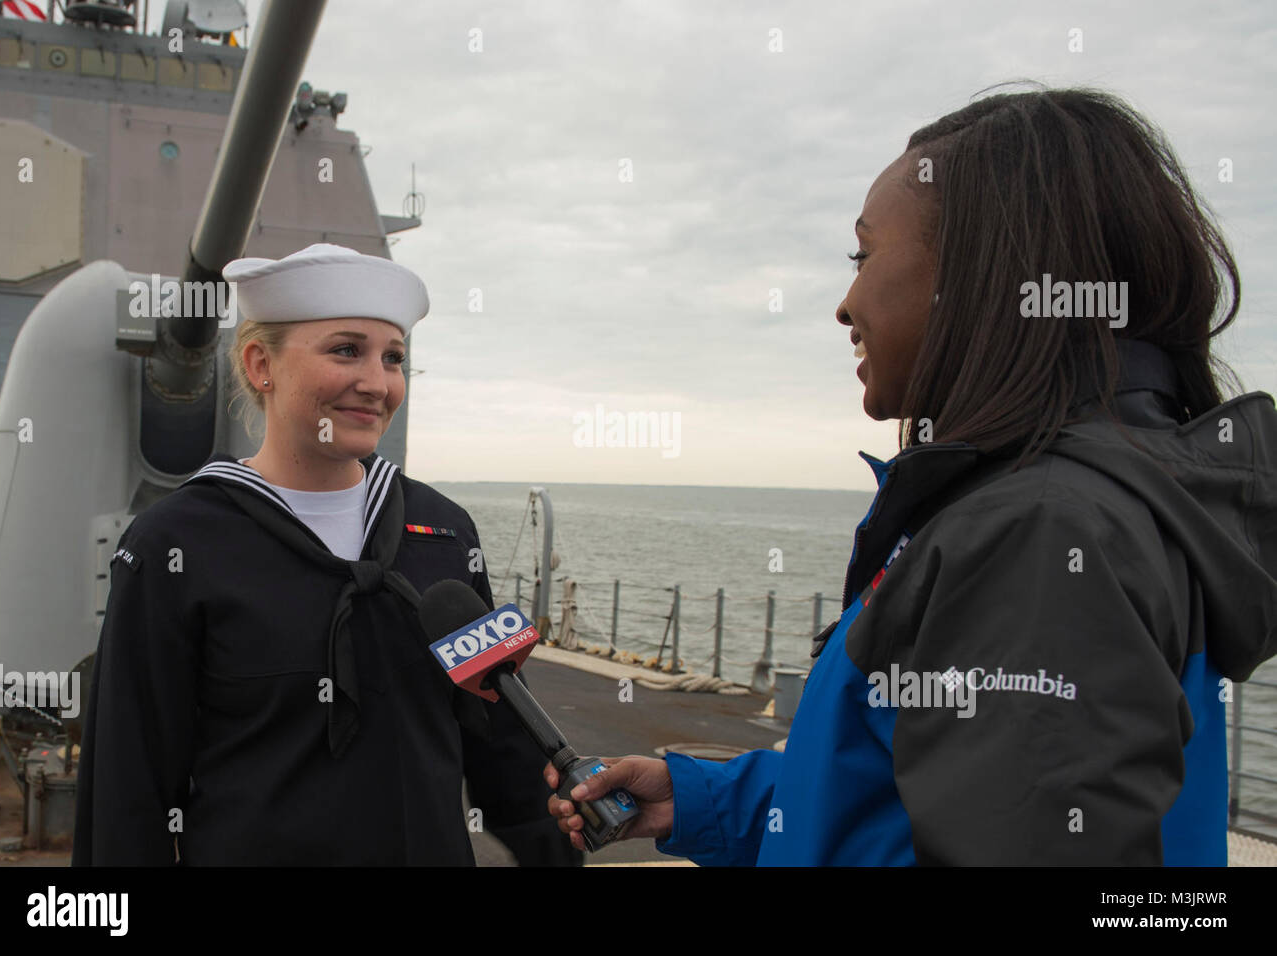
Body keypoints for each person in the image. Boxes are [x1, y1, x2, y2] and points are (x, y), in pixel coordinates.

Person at [545, 87, 1277, 865]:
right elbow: (903, 808)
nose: (845, 303)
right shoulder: (1073, 510)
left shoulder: (1038, 534)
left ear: (984, 275)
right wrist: (701, 798)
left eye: (863, 256)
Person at [74, 243, 578, 866]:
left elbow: (499, 739)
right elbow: (128, 786)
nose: (377, 383)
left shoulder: (444, 532)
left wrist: (555, 848)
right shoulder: (176, 545)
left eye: (393, 357)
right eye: (346, 350)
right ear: (261, 364)